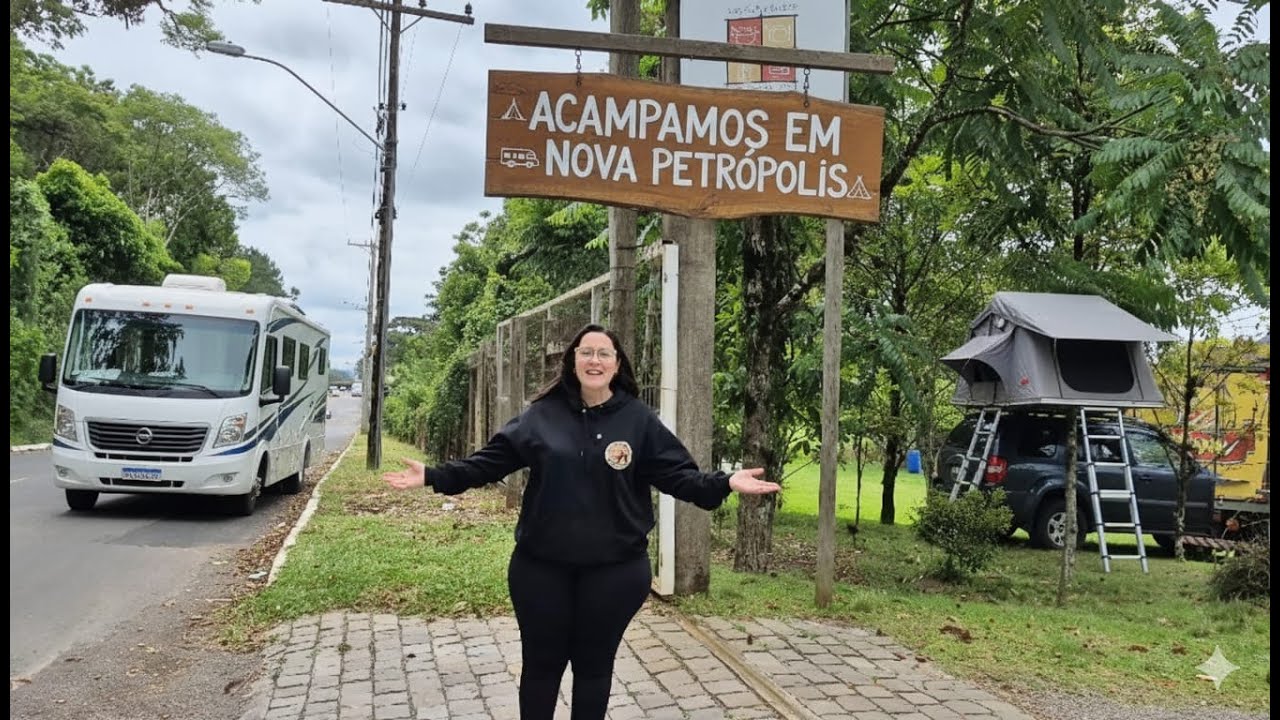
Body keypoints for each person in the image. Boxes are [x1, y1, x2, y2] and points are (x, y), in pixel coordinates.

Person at [383, 323, 780, 720]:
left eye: (603, 353)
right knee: (542, 664)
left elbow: (680, 476)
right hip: (541, 568)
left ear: (616, 363)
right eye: (586, 352)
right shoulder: (541, 417)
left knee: (593, 666)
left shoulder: (638, 421)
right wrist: (434, 475)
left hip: (616, 570)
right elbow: (488, 463)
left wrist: (725, 481)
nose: (594, 360)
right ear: (572, 361)